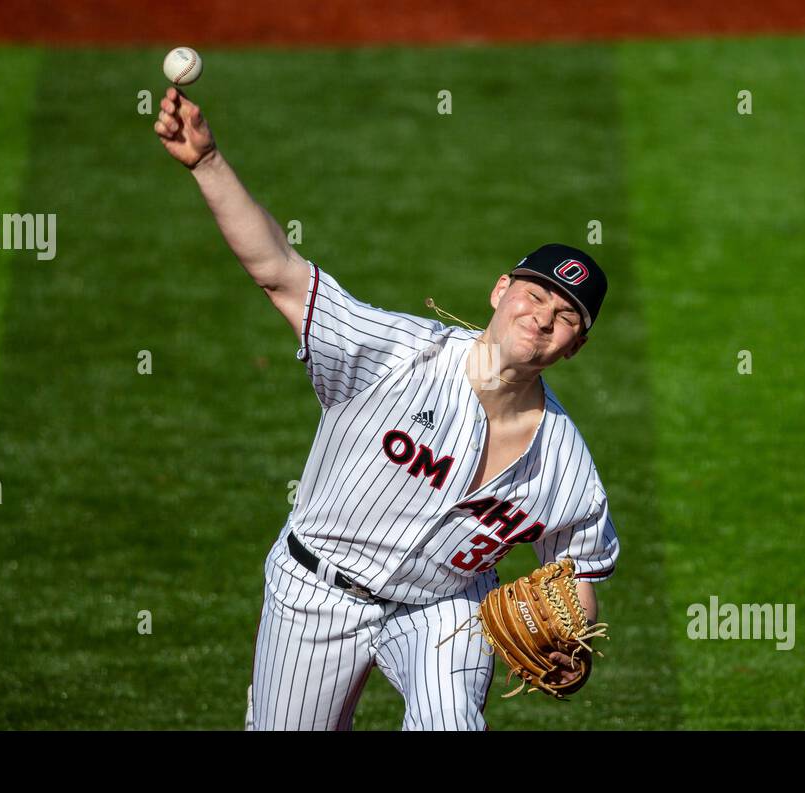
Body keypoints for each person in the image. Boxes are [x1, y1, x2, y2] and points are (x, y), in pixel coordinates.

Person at [154, 88, 619, 730]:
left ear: (577, 345)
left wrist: (573, 645)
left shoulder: (565, 464)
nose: (542, 317)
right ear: (500, 290)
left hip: (442, 610)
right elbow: (280, 270)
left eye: (566, 315)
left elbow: (576, 575)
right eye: (535, 294)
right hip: (318, 591)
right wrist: (207, 164)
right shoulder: (397, 352)